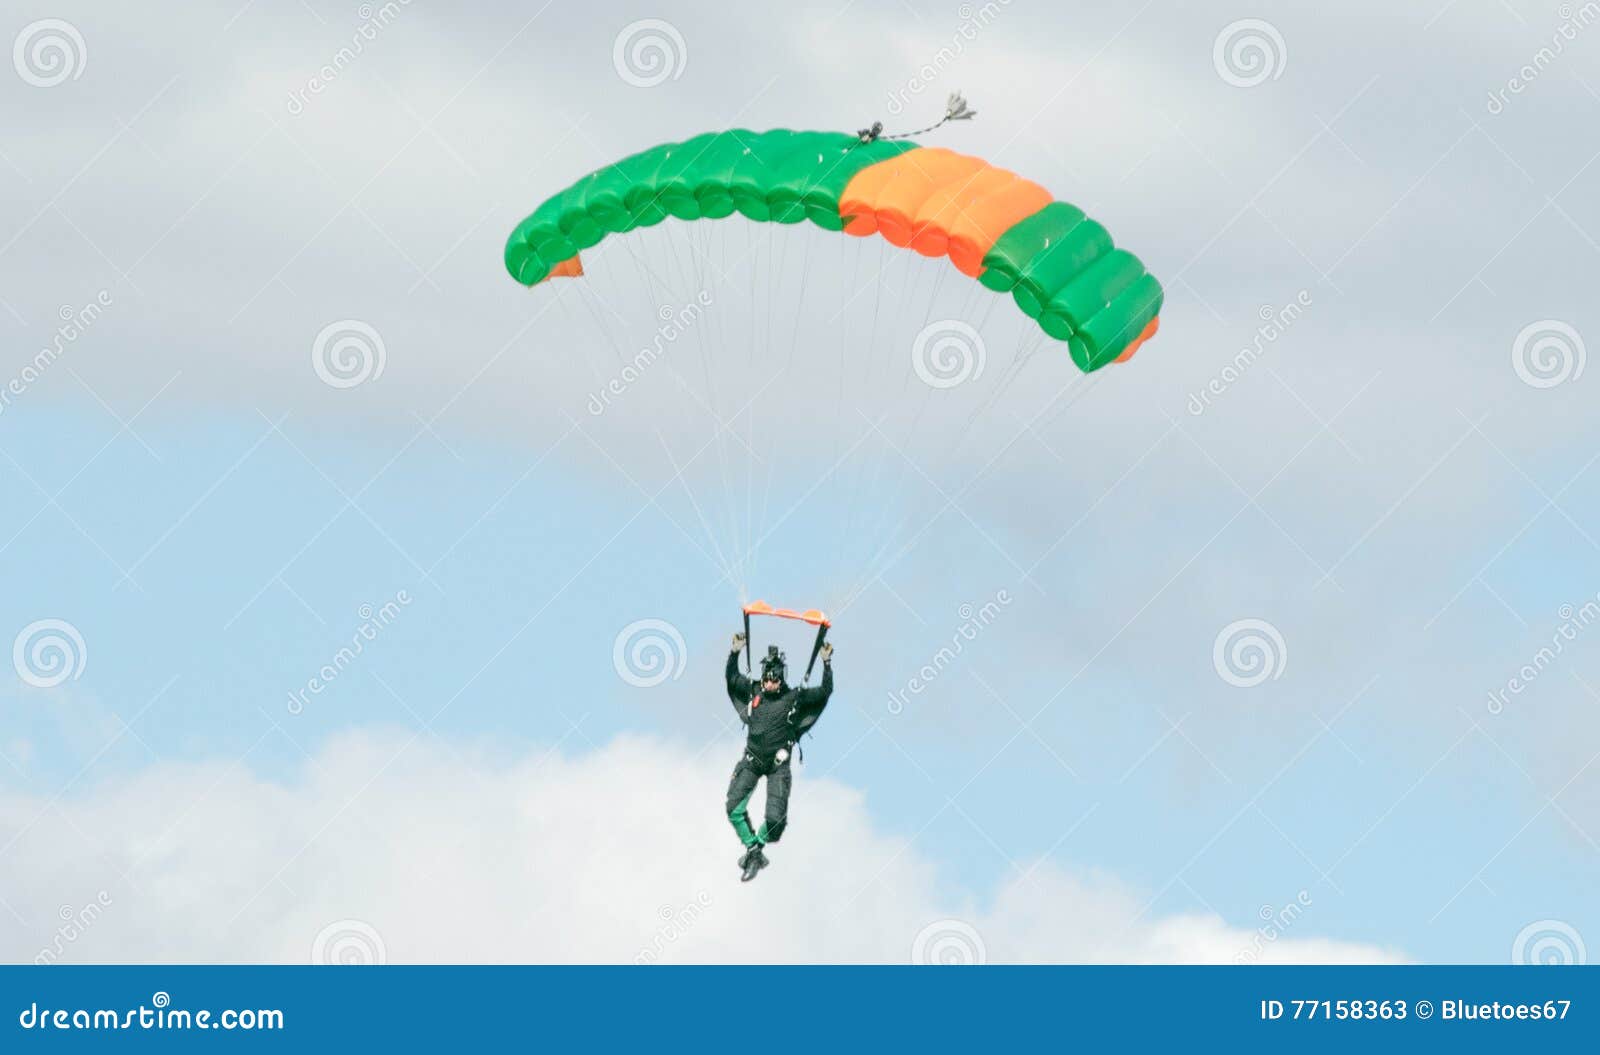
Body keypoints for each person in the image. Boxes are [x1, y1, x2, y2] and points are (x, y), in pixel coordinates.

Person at [724, 633, 833, 882]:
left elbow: (826, 691)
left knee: (776, 822)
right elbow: (731, 679)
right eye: (767, 679)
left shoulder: (794, 698)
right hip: (751, 761)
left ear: (781, 678)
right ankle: (753, 851)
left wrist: (826, 664)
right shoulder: (753, 691)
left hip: (777, 767)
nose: (770, 684)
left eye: (774, 680)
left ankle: (757, 847)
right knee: (732, 809)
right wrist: (734, 652)